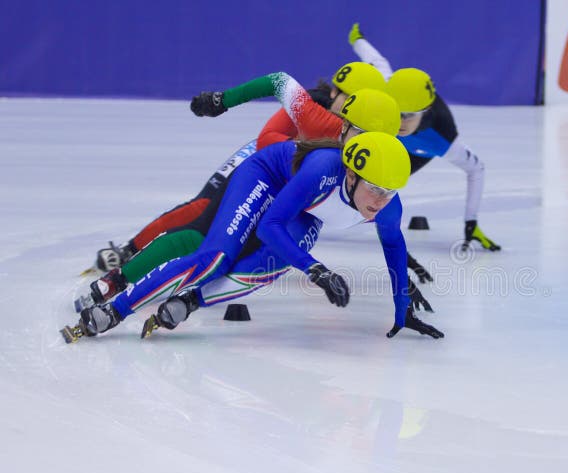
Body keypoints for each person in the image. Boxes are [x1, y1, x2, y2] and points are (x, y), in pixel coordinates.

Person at [80, 70, 434, 312]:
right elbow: (278, 85)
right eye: (357, 134)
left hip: (301, 185)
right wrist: (223, 100)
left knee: (247, 247)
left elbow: (382, 217)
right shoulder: (320, 120)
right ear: (344, 122)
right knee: (203, 220)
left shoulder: (376, 156)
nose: (364, 148)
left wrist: (401, 275)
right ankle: (126, 263)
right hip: (268, 162)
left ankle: (185, 292)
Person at [62, 130, 444, 342]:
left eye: (390, 192)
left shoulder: (387, 207)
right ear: (351, 174)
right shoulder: (322, 170)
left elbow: (394, 248)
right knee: (215, 258)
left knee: (272, 264)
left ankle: (191, 300)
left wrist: (402, 309)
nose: (380, 201)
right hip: (264, 178)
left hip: (306, 209)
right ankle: (115, 310)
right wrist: (317, 270)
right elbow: (269, 226)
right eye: (375, 189)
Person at [91, 62, 387, 273]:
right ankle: (130, 250)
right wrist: (223, 101)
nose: (337, 98)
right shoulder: (316, 112)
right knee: (203, 209)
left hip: (297, 173)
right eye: (338, 92)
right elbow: (267, 138)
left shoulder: (375, 142)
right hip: (268, 159)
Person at [348, 23, 502, 252]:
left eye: (408, 115)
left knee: (378, 184)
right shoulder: (387, 86)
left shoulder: (442, 138)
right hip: (401, 141)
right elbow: (377, 61)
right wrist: (357, 40)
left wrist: (471, 221)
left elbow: (476, 169)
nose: (400, 122)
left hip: (418, 151)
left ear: (425, 112)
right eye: (397, 112)